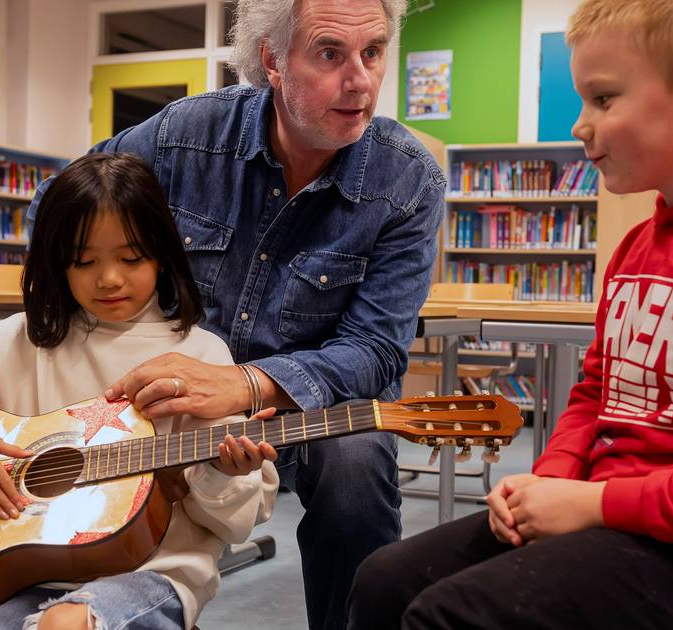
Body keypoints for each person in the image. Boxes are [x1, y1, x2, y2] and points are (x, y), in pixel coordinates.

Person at [347, 1, 673, 628]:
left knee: (453, 616)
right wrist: (549, 480)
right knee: (382, 581)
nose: (579, 125)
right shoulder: (641, 244)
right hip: (620, 521)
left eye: (603, 99)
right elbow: (598, 391)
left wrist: (596, 502)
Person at [26, 1, 440, 628]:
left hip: (309, 414)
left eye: (373, 52)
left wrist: (246, 384)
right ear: (273, 60)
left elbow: (376, 351)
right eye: (330, 53)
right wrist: (106, 346)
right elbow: (54, 211)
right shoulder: (182, 138)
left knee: (356, 463)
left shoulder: (410, 182)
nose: (360, 80)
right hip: (167, 401)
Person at [0, 153, 279, 630]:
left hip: (150, 574)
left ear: (163, 255)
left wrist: (222, 475)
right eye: (84, 261)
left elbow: (235, 524)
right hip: (15, 571)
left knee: (66, 625)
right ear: (57, 263)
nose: (109, 278)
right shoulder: (27, 338)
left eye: (131, 258)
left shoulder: (199, 356)